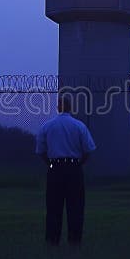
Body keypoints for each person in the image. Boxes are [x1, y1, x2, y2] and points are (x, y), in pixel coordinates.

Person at [35, 95, 96, 246]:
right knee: (75, 206)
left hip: (55, 168)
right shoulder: (79, 126)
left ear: (58, 107)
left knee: (53, 206)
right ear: (70, 107)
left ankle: (52, 240)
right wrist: (79, 164)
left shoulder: (47, 126)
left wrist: (50, 164)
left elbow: (41, 151)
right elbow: (88, 150)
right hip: (74, 168)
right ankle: (74, 241)